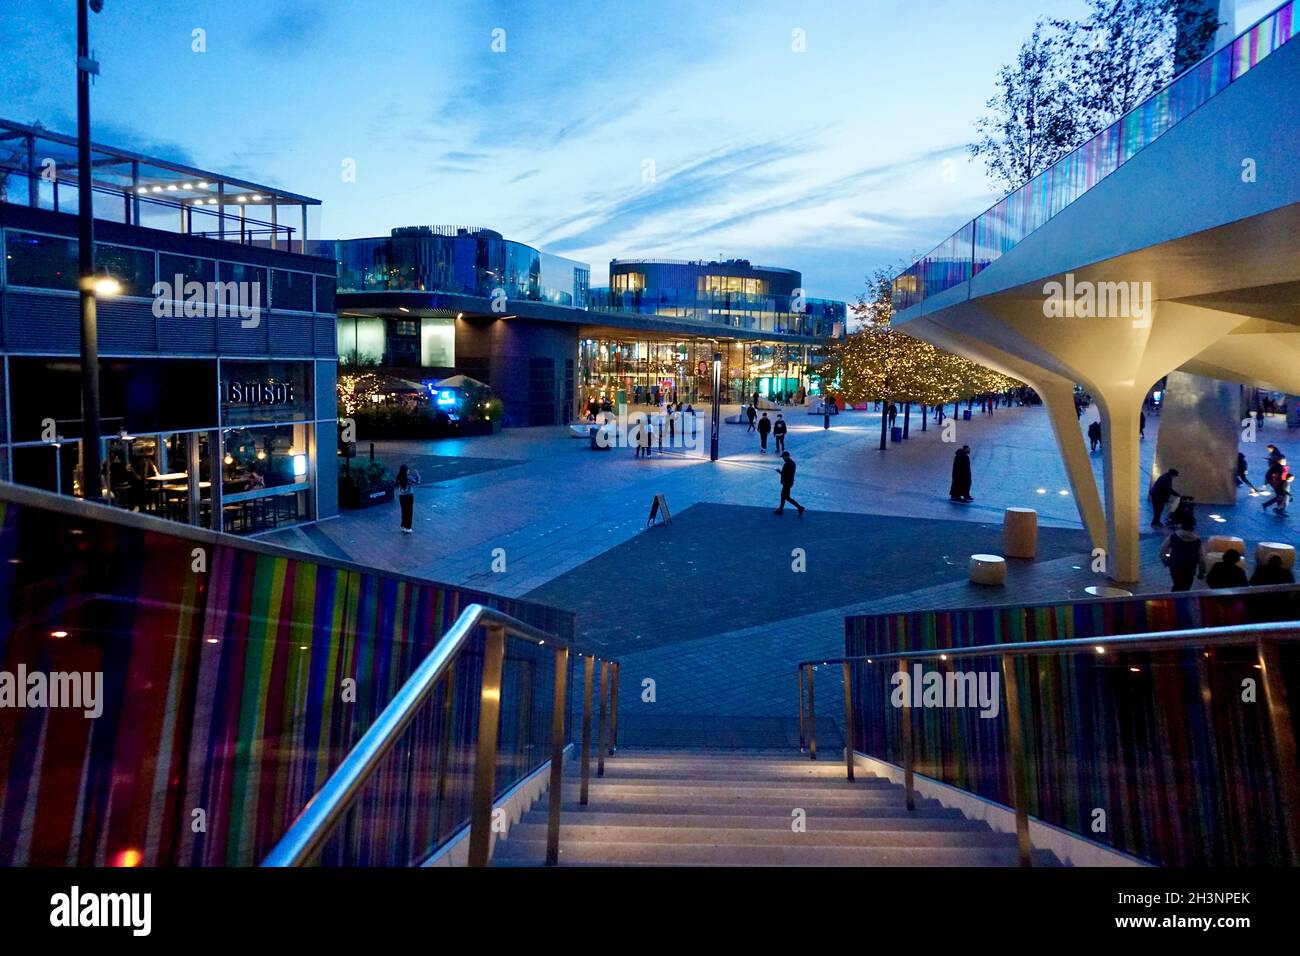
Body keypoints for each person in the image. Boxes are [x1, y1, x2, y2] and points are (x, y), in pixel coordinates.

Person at [1160, 517, 1203, 592]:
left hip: (1175, 564)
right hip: (1190, 566)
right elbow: (1201, 558)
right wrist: (1202, 571)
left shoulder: (1173, 536)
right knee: (1186, 587)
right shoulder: (1197, 540)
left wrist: (1166, 561)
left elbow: (1163, 550)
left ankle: (1174, 599)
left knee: (1177, 583)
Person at [773, 451, 805, 516]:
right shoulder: (792, 463)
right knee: (783, 495)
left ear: (786, 456)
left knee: (786, 497)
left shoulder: (787, 464)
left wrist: (778, 471)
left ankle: (799, 507)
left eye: (783, 457)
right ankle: (781, 509)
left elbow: (784, 474)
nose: (783, 458)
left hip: (786, 482)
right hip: (789, 482)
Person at [395, 464, 420, 533]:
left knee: (403, 511)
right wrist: (417, 474)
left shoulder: (399, 477)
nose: (409, 471)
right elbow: (417, 482)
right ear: (406, 471)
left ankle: (403, 526)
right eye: (408, 469)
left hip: (401, 496)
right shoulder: (408, 478)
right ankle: (408, 527)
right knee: (409, 511)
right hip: (409, 496)